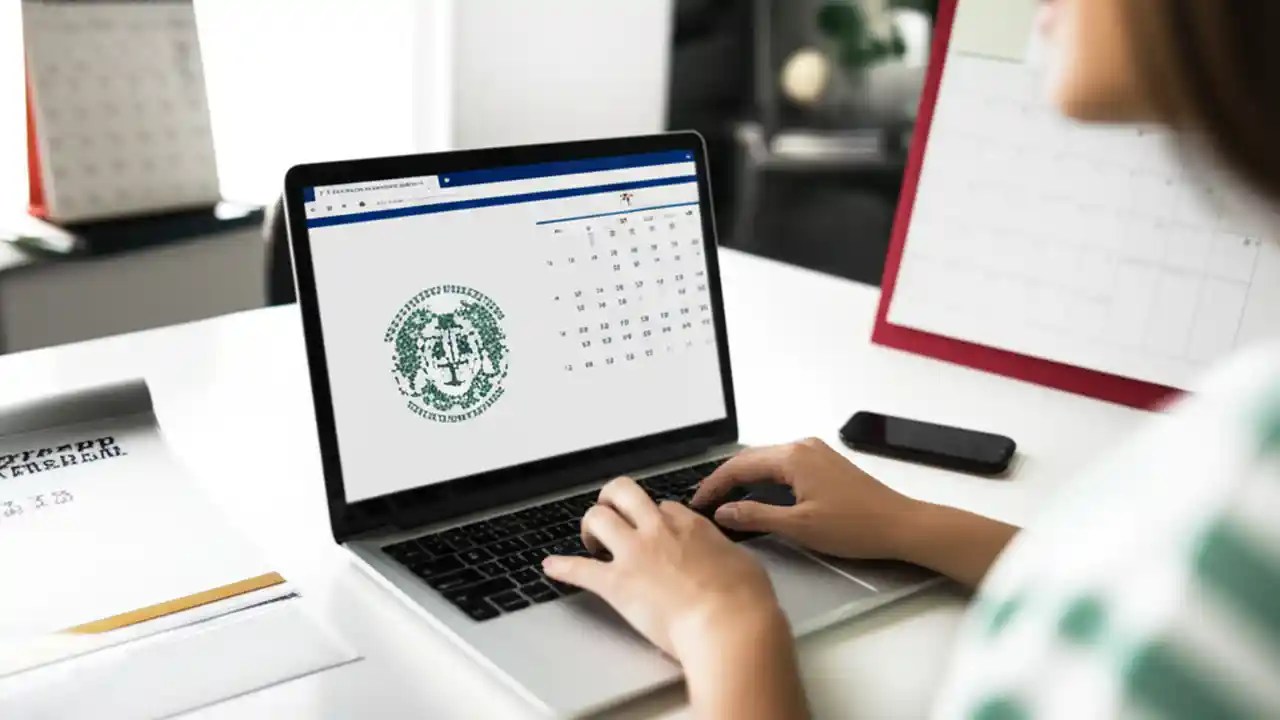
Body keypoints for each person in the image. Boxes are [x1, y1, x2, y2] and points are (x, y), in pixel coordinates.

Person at [541, 0, 1280, 717]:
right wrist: (908, 525)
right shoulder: (1243, 440)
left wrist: (728, 629)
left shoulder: (1228, 503)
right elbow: (1130, 581)